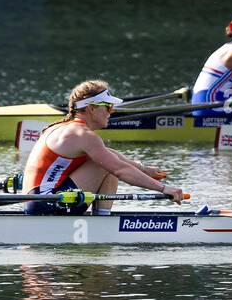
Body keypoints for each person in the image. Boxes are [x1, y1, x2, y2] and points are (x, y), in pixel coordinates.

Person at [20, 80, 183, 215]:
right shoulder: (82, 135)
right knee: (107, 167)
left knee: (107, 161)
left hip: (38, 203)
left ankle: (102, 219)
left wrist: (143, 169)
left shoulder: (63, 128)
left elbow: (111, 155)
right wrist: (163, 188)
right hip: (47, 205)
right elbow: (119, 169)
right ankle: (103, 225)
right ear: (91, 108)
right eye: (108, 106)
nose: (111, 111)